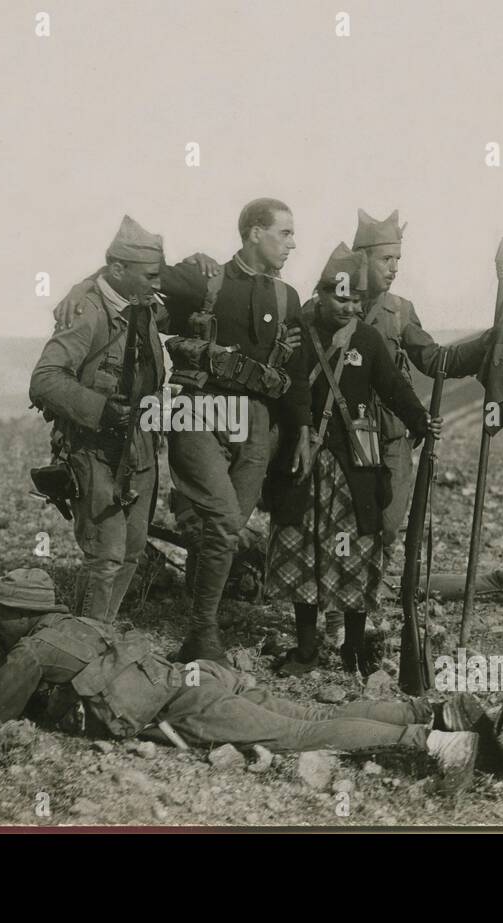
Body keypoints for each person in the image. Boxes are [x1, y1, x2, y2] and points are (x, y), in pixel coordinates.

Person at [0, 567, 483, 793]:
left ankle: (431, 741)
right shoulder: (74, 624)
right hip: (203, 678)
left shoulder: (32, 648)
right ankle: (429, 712)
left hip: (184, 704)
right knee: (313, 713)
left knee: (298, 737)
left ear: (16, 614)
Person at [265, 244, 438, 677]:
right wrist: (302, 428)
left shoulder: (368, 339)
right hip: (303, 463)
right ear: (321, 293)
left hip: (355, 467)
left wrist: (420, 420)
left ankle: (354, 650)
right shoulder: (299, 332)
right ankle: (306, 650)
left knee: (356, 558)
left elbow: (393, 386)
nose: (349, 307)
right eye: (341, 297)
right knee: (301, 552)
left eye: (356, 300)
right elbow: (290, 389)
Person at [156, 198, 310, 664]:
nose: (292, 243)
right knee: (223, 523)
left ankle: (198, 582)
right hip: (201, 410)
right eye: (284, 233)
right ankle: (202, 632)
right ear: (253, 233)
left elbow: (297, 372)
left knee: (230, 524)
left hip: (256, 422)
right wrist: (176, 264)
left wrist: (300, 430)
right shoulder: (206, 279)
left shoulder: (287, 299)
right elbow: (138, 272)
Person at [350, 208, 503, 605]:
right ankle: (345, 606)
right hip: (347, 429)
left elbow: (436, 361)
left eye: (398, 260)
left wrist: (485, 344)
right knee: (351, 520)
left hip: (391, 431)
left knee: (389, 525)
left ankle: (368, 593)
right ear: (361, 257)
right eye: (384, 259)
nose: (393, 268)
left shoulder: (401, 311)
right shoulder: (336, 301)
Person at [29, 216, 166, 622]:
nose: (158, 282)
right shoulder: (87, 312)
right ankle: (83, 643)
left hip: (139, 449)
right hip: (95, 450)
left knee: (131, 551)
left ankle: (99, 632)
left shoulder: (142, 304)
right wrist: (101, 410)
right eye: (150, 275)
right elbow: (44, 380)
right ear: (119, 270)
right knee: (104, 556)